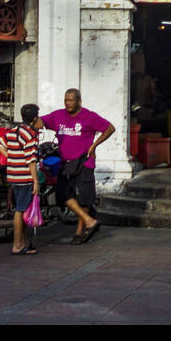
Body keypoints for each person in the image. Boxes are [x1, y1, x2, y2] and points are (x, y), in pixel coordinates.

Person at [42, 88, 113, 245]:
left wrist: (94, 145)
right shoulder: (58, 115)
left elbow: (109, 128)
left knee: (84, 198)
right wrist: (30, 118)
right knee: (62, 194)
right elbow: (42, 122)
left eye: (71, 100)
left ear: (79, 101)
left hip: (84, 162)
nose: (68, 103)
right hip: (65, 164)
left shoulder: (89, 116)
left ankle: (80, 232)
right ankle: (89, 220)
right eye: (66, 100)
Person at [0, 103, 42, 255]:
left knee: (21, 208)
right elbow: (31, 161)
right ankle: (17, 245)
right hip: (24, 177)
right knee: (21, 210)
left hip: (13, 175)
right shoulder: (30, 135)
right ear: (34, 119)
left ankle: (24, 243)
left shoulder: (14, 131)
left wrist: (11, 157)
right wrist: (35, 181)